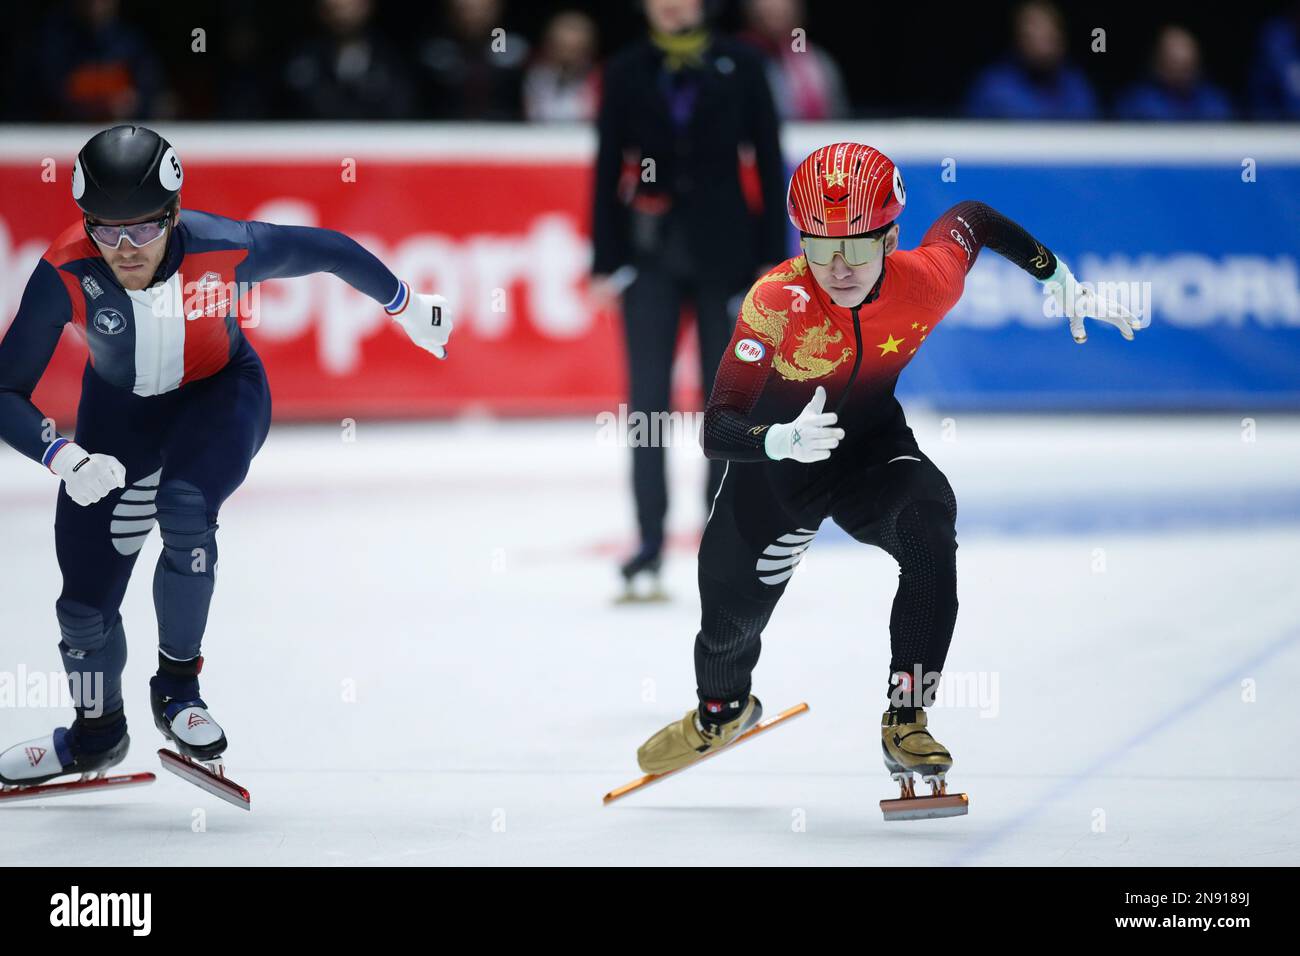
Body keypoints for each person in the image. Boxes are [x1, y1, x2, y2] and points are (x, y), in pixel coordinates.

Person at [634, 142, 1139, 805]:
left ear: (891, 237)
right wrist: (779, 439)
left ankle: (906, 719)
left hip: (868, 451)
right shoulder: (775, 302)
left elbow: (976, 217)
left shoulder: (927, 279)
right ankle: (721, 714)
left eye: (858, 247)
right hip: (778, 468)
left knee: (931, 528)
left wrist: (1057, 277)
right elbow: (716, 428)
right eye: (820, 247)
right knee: (729, 627)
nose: (838, 267)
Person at [0, 125, 452, 787]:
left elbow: (326, 249)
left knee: (185, 510)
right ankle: (96, 736)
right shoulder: (66, 268)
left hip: (219, 395)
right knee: (81, 611)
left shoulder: (222, 247)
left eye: (144, 231)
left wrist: (404, 304)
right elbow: (6, 388)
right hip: (116, 419)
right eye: (107, 229)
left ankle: (179, 691)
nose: (125, 249)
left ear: (174, 214)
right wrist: (62, 455)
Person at [591, 0, 786, 597]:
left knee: (725, 403)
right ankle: (649, 542)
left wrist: (768, 257)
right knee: (647, 405)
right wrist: (606, 259)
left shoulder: (742, 64)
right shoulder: (625, 70)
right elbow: (605, 166)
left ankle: (720, 536)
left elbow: (770, 158)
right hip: (649, 258)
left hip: (725, 258)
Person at [964, 1, 1098, 120]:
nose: (1042, 45)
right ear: (1018, 38)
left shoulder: (1077, 87)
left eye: (1048, 36)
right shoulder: (993, 89)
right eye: (1033, 34)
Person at [1115, 25, 1233, 121]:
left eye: (1187, 64)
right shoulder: (1136, 103)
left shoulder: (1214, 102)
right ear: (1158, 62)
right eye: (1174, 62)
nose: (1182, 72)